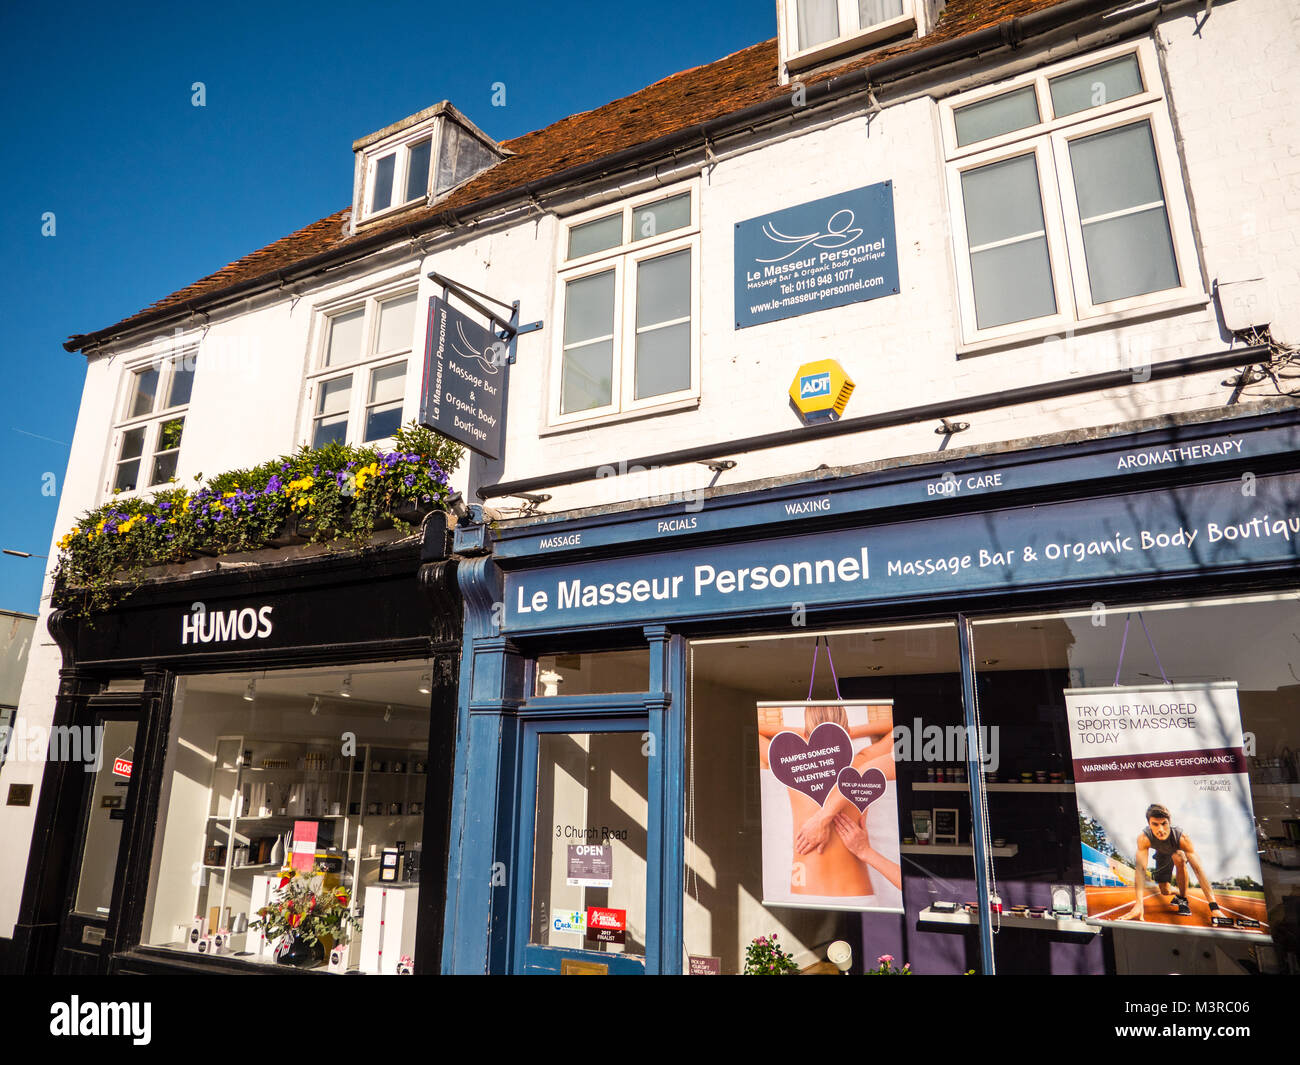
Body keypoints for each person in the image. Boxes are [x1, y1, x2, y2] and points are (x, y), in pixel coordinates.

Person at [757, 704, 895, 898]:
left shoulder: (791, 762)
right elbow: (900, 729)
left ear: (806, 733)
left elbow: (752, 729)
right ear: (845, 732)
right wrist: (846, 734)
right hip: (856, 892)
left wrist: (806, 734)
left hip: (805, 891)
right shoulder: (863, 762)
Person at [1119, 803, 1223, 921]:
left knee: (1179, 857)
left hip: (1176, 851)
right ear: (1149, 824)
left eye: (1164, 823)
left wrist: (1214, 908)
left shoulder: (1182, 838)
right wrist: (1138, 904)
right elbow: (1140, 870)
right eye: (1155, 824)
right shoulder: (1144, 838)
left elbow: (1198, 870)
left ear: (1169, 822)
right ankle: (1179, 892)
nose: (1161, 830)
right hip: (1161, 855)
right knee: (1165, 891)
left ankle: (1182, 899)